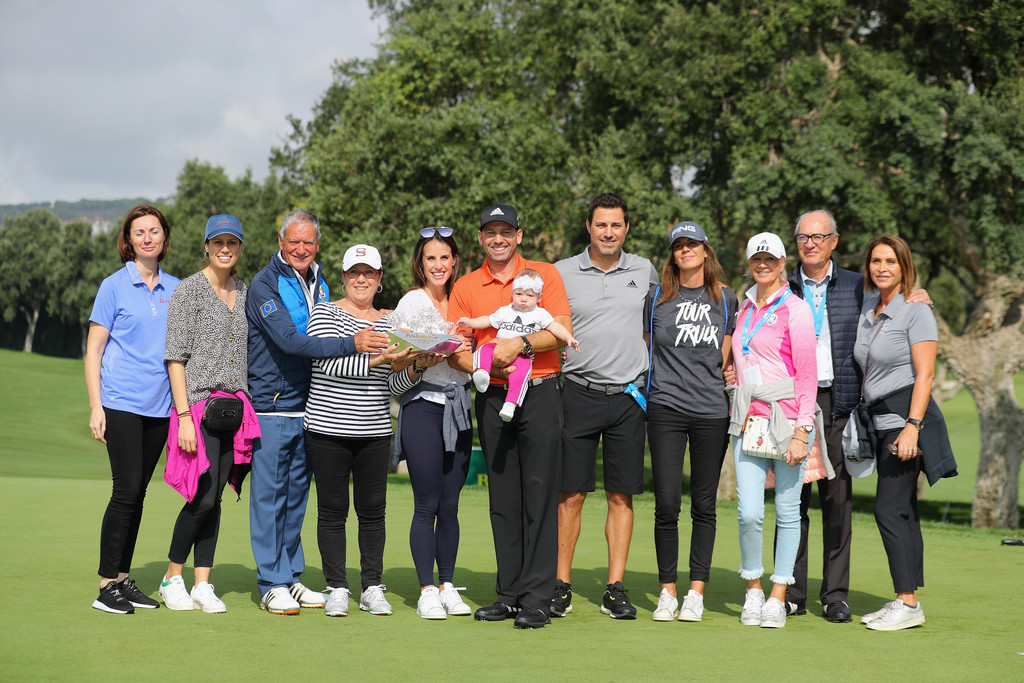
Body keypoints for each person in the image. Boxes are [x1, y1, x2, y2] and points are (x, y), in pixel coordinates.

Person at [783, 210, 932, 622]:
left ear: (833, 240)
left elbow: (895, 303)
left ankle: (834, 595)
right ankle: (791, 591)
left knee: (838, 502)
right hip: (793, 407)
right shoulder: (780, 285)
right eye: (803, 237)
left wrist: (918, 294)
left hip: (840, 406)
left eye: (819, 236)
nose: (810, 243)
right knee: (791, 502)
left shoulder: (857, 284)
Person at [246, 209, 391, 615]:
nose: (301, 248)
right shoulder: (264, 284)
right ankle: (270, 580)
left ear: (318, 245)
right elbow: (291, 342)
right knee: (269, 499)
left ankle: (291, 576)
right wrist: (353, 344)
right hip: (273, 404)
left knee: (295, 499)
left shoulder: (319, 282)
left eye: (308, 242)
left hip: (307, 408)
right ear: (280, 241)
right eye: (294, 241)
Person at [448, 202, 571, 629]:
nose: (498, 238)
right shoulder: (466, 285)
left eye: (506, 231)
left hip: (540, 392)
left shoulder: (544, 275)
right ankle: (509, 594)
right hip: (493, 395)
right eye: (490, 231)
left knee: (539, 494)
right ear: (481, 237)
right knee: (503, 498)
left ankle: (537, 597)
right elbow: (456, 346)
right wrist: (479, 365)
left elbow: (556, 328)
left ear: (519, 235)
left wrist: (516, 346)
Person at [552, 193, 658, 620]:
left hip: (629, 398)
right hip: (576, 392)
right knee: (571, 495)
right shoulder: (562, 273)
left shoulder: (645, 270)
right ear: (589, 228)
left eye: (616, 225)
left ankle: (615, 586)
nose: (608, 232)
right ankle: (561, 584)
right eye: (601, 225)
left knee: (621, 496)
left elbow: (662, 321)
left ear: (626, 228)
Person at [304, 244, 419, 618]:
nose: (361, 279)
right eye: (355, 272)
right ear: (343, 277)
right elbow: (325, 366)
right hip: (327, 429)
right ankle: (337, 586)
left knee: (373, 513)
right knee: (332, 512)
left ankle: (371, 586)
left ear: (380, 278)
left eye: (369, 272)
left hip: (374, 430)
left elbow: (391, 385)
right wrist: (382, 357)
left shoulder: (390, 323)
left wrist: (416, 368)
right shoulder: (324, 314)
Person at [854, 235, 955, 631]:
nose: (882, 268)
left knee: (888, 509)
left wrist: (912, 427)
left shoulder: (917, 311)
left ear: (904, 266)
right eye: (876, 261)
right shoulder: (868, 306)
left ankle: (907, 602)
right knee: (905, 512)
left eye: (890, 262)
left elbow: (926, 374)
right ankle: (908, 598)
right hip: (878, 420)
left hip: (904, 420)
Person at [85, 205, 180, 614]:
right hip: (121, 401)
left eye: (154, 231)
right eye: (139, 232)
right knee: (125, 491)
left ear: (163, 238)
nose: (146, 238)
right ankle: (106, 584)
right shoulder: (113, 286)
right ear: (128, 239)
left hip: (160, 407)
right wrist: (95, 406)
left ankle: (122, 580)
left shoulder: (177, 288)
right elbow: (93, 351)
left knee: (138, 493)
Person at [159, 214, 256, 613]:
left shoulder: (246, 291)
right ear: (206, 246)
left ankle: (202, 583)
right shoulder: (188, 291)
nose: (225, 249)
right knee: (201, 494)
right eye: (218, 242)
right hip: (198, 407)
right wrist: (183, 417)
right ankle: (171, 577)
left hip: (234, 409)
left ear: (239, 248)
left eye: (232, 243)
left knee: (214, 497)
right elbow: (175, 358)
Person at [645, 221, 737, 622]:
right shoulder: (655, 299)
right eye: (679, 245)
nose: (686, 250)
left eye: (692, 244)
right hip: (665, 407)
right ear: (673, 253)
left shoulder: (727, 299)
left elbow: (728, 356)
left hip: (711, 411)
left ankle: (696, 591)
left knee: (703, 505)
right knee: (666, 503)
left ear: (705, 250)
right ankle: (668, 590)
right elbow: (649, 347)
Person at [728, 231, 819, 629]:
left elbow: (807, 376)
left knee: (787, 511)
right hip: (748, 418)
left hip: (787, 418)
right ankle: (753, 589)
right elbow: (744, 357)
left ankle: (778, 596)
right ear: (749, 263)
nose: (762, 265)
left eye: (770, 259)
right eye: (756, 259)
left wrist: (803, 431)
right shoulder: (744, 309)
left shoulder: (796, 309)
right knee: (748, 512)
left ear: (783, 263)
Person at [389, 227, 474, 620]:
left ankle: (448, 585)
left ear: (454, 261)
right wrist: (420, 363)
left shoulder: (465, 300)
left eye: (444, 258)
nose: (438, 265)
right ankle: (426, 590)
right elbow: (397, 372)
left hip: (459, 409)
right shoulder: (410, 302)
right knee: (427, 503)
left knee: (452, 504)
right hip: (422, 408)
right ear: (420, 265)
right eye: (430, 259)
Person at [457, 268, 579, 422]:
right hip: (498, 347)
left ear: (539, 297)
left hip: (523, 354)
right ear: (513, 293)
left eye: (529, 295)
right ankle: (482, 373)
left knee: (520, 375)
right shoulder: (506, 310)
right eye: (519, 294)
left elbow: (555, 327)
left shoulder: (540, 314)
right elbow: (487, 320)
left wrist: (568, 337)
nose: (523, 299)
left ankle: (511, 404)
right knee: (484, 349)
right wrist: (470, 322)